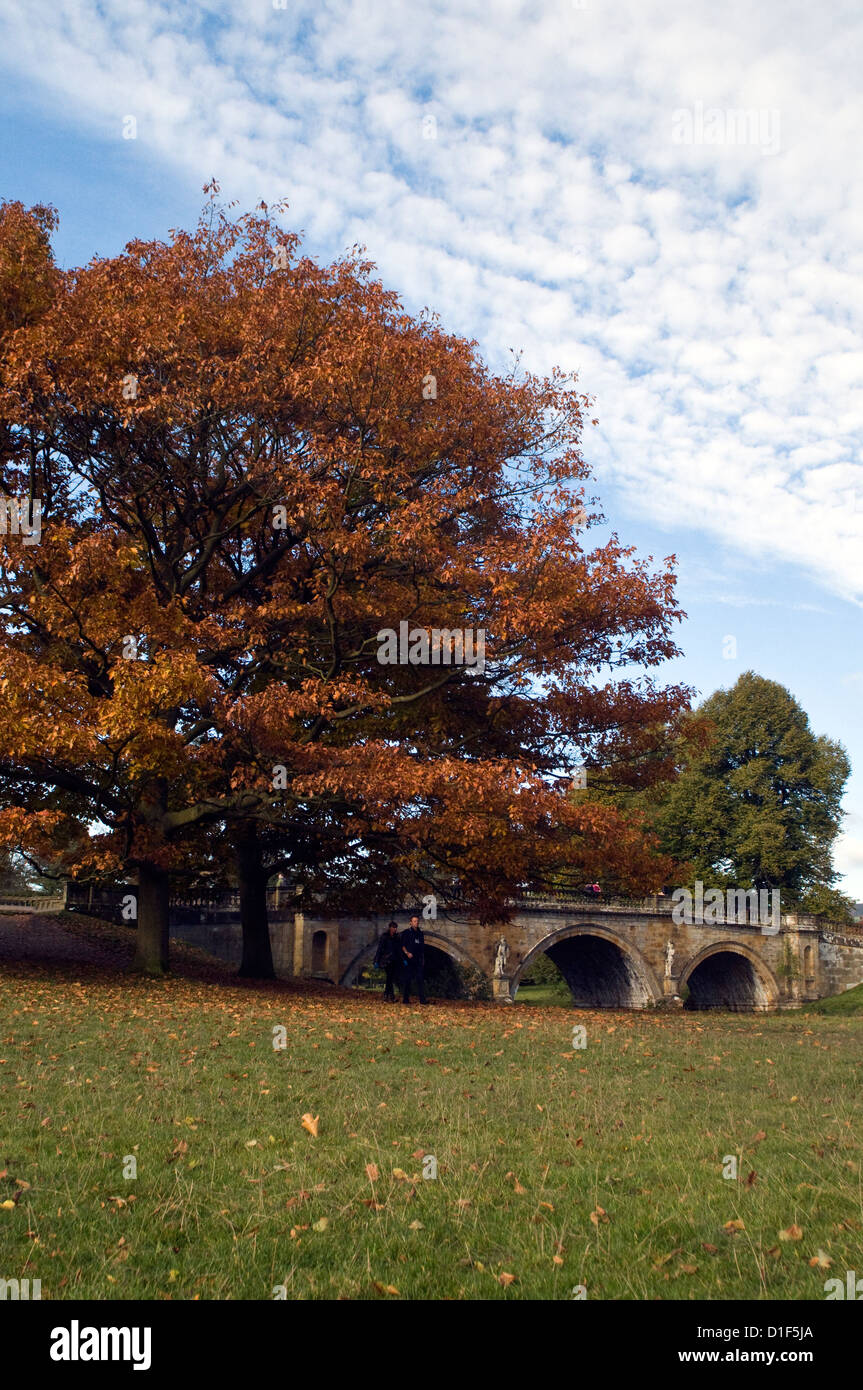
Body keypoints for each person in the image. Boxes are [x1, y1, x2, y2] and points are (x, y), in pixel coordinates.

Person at [400, 914, 427, 1005]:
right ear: (410, 923)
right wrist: (407, 953)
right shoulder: (406, 932)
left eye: (417, 921)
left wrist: (422, 958)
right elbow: (403, 946)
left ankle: (422, 1000)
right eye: (414, 921)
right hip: (409, 960)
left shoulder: (420, 933)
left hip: (418, 960)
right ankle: (405, 999)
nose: (416, 923)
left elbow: (422, 947)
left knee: (420, 979)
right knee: (408, 979)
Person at [374, 920, 401, 1002]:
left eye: (395, 928)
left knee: (390, 978)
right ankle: (388, 995)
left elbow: (398, 949)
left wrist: (402, 959)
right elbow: (380, 949)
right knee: (389, 977)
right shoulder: (384, 936)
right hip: (386, 960)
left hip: (394, 960)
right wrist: (376, 961)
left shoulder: (397, 937)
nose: (394, 929)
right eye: (393, 928)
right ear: (390, 928)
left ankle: (389, 996)